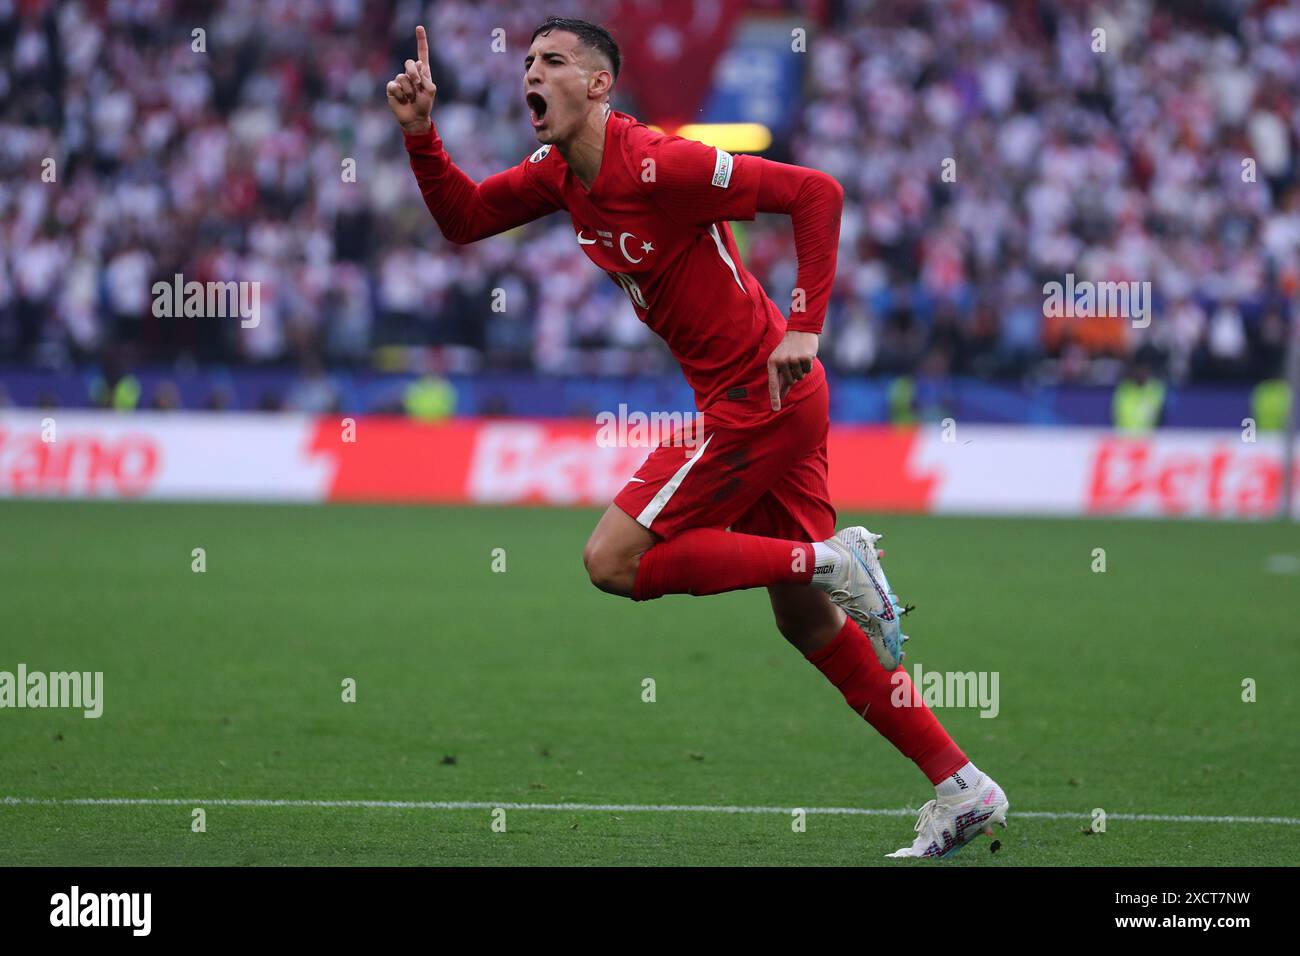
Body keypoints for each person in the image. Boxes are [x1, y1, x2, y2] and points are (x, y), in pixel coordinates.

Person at [387, 17, 1007, 858]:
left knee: (611, 560)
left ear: (599, 85)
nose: (532, 73)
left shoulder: (660, 163)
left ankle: (833, 560)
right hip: (769, 402)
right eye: (527, 62)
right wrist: (422, 133)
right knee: (807, 624)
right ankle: (963, 786)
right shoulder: (559, 174)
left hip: (759, 395)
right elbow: (461, 218)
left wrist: (805, 323)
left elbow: (816, 193)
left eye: (554, 61)